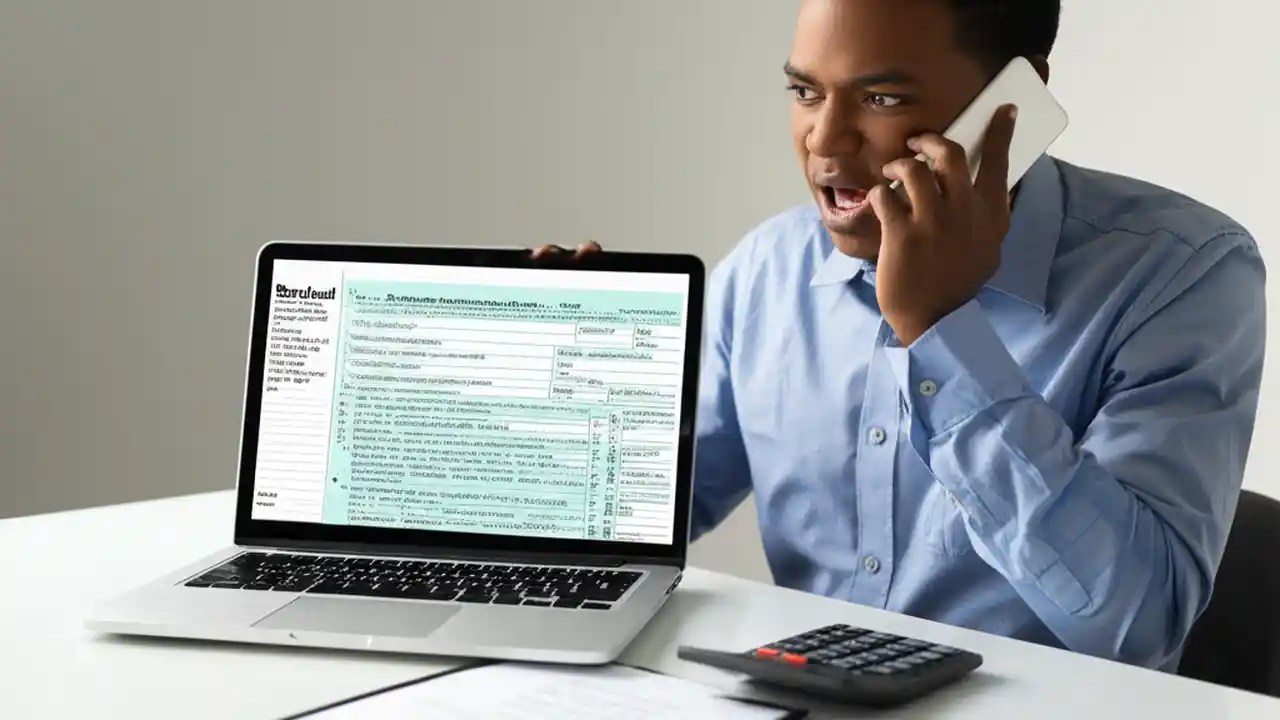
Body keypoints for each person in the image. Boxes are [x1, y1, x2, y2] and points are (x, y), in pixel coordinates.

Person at [534, 0, 1264, 671]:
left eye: (882, 99)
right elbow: (627, 531)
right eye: (805, 92)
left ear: (1009, 105)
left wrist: (941, 329)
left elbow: (1140, 623)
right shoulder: (770, 268)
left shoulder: (1181, 273)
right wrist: (574, 393)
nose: (825, 138)